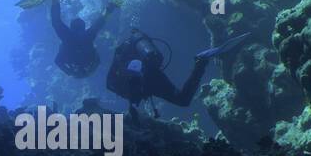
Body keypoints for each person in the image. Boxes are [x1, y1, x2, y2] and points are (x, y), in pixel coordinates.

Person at [106, 29, 251, 114]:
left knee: (182, 100)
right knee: (182, 99)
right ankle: (201, 62)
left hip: (148, 77)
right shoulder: (116, 81)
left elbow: (123, 82)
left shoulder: (117, 82)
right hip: (148, 75)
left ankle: (201, 62)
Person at [49, 0, 118, 78]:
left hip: (75, 60)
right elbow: (100, 22)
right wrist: (110, 8)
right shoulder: (87, 35)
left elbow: (55, 20)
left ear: (71, 27)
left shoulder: (68, 36)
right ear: (84, 27)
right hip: (83, 61)